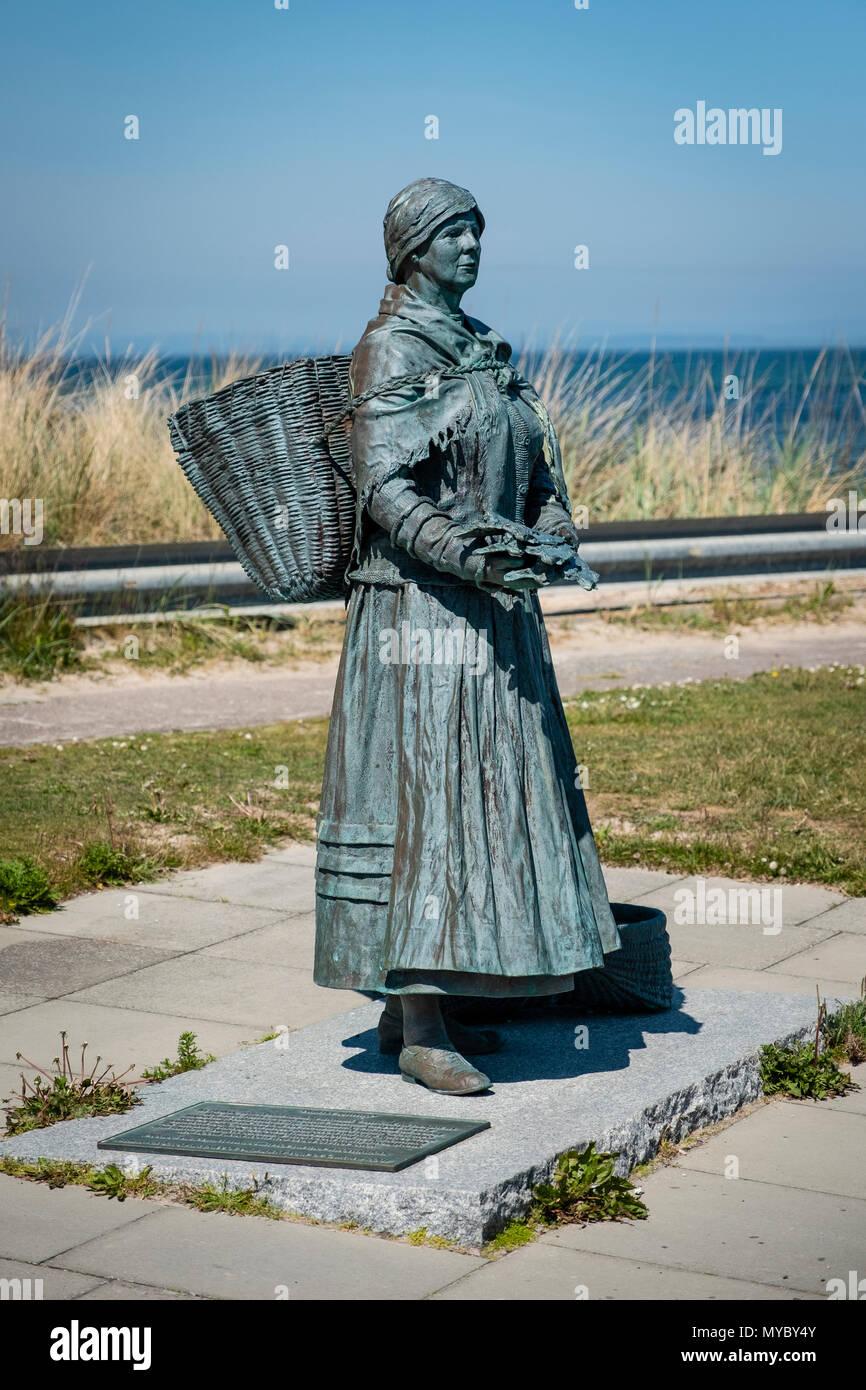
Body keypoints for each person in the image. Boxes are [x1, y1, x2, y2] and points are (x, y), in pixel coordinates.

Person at [314, 177, 620, 1095]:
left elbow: (534, 473)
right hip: (418, 618)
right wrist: (465, 554)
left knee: (478, 805)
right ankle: (417, 1021)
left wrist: (552, 529)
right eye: (452, 234)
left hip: (494, 615)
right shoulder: (388, 349)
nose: (471, 248)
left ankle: (424, 1001)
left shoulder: (486, 349)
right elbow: (383, 489)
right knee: (426, 808)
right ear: (410, 250)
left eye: (477, 232)